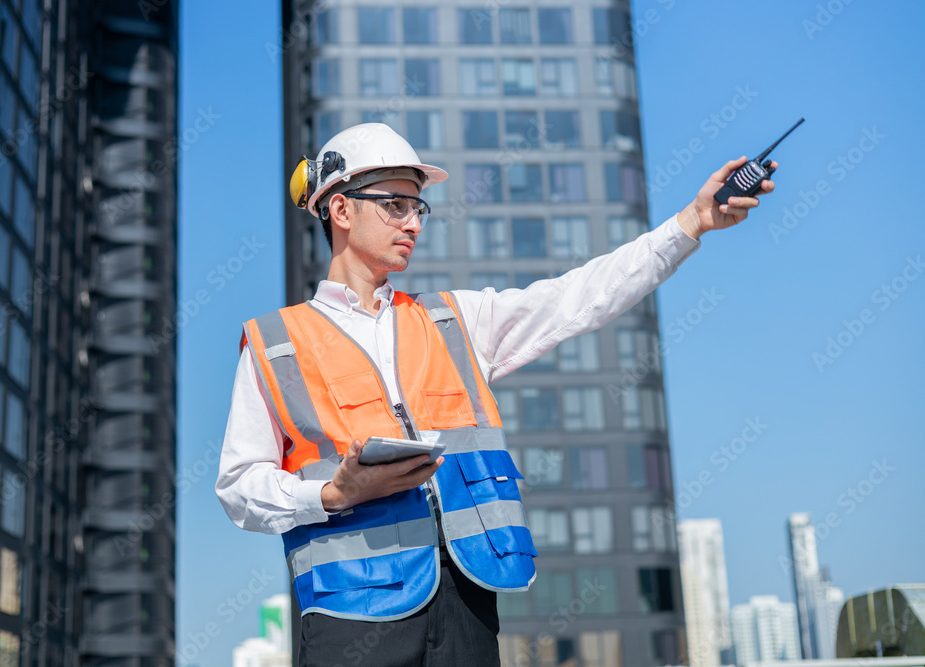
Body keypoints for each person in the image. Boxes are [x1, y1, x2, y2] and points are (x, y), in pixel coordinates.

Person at [215, 123, 776, 666]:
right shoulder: (277, 343)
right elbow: (238, 489)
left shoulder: (455, 321)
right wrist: (333, 495)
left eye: (418, 208)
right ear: (340, 209)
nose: (413, 221)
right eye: (395, 204)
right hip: (349, 616)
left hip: (467, 601)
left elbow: (579, 296)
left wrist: (693, 222)